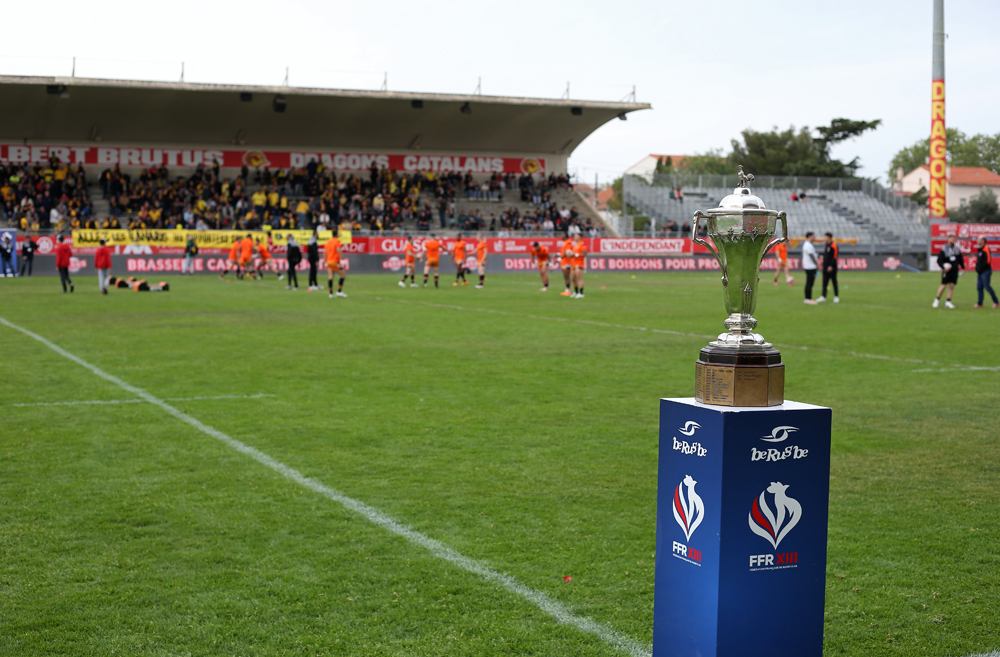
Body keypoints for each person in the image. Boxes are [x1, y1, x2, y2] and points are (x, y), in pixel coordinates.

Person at [933, 234, 963, 308]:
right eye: (952, 239)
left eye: (954, 239)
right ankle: (937, 300)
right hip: (946, 271)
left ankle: (948, 301)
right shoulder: (944, 250)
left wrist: (963, 267)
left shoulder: (956, 249)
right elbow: (939, 260)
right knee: (943, 285)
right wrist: (943, 267)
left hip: (954, 270)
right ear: (948, 239)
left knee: (952, 285)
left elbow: (960, 259)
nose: (953, 240)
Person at [972, 237, 998, 309]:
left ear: (983, 241)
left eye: (978, 239)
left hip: (985, 272)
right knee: (979, 287)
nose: (977, 241)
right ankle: (980, 304)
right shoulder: (980, 250)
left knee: (987, 286)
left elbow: (988, 261)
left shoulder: (986, 249)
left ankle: (996, 302)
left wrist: (980, 268)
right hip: (981, 272)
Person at [816, 232, 839, 303]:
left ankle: (836, 296)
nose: (824, 238)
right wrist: (822, 256)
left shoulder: (834, 245)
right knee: (824, 282)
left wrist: (831, 266)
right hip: (825, 266)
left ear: (829, 237)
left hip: (832, 267)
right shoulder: (826, 245)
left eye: (825, 237)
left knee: (834, 281)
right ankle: (823, 296)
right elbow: (827, 254)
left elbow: (834, 257)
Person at [324, 233, 347, 298]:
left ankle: (331, 294)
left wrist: (325, 261)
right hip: (335, 261)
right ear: (336, 235)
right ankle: (339, 291)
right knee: (343, 275)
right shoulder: (337, 241)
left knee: (331, 276)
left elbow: (325, 252)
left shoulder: (327, 242)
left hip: (329, 261)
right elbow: (338, 250)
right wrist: (342, 260)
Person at [801, 232, 819, 305]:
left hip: (809, 266)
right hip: (810, 267)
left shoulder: (808, 245)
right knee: (809, 283)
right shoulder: (808, 245)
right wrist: (817, 264)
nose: (814, 238)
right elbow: (812, 256)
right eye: (813, 236)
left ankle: (808, 298)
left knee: (809, 283)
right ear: (810, 236)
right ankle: (808, 299)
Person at [570, 233, 588, 298]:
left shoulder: (582, 244)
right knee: (573, 279)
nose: (574, 237)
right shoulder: (575, 245)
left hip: (579, 263)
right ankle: (576, 292)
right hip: (573, 263)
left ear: (580, 237)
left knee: (579, 278)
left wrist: (577, 255)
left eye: (576, 236)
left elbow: (585, 254)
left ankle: (581, 293)